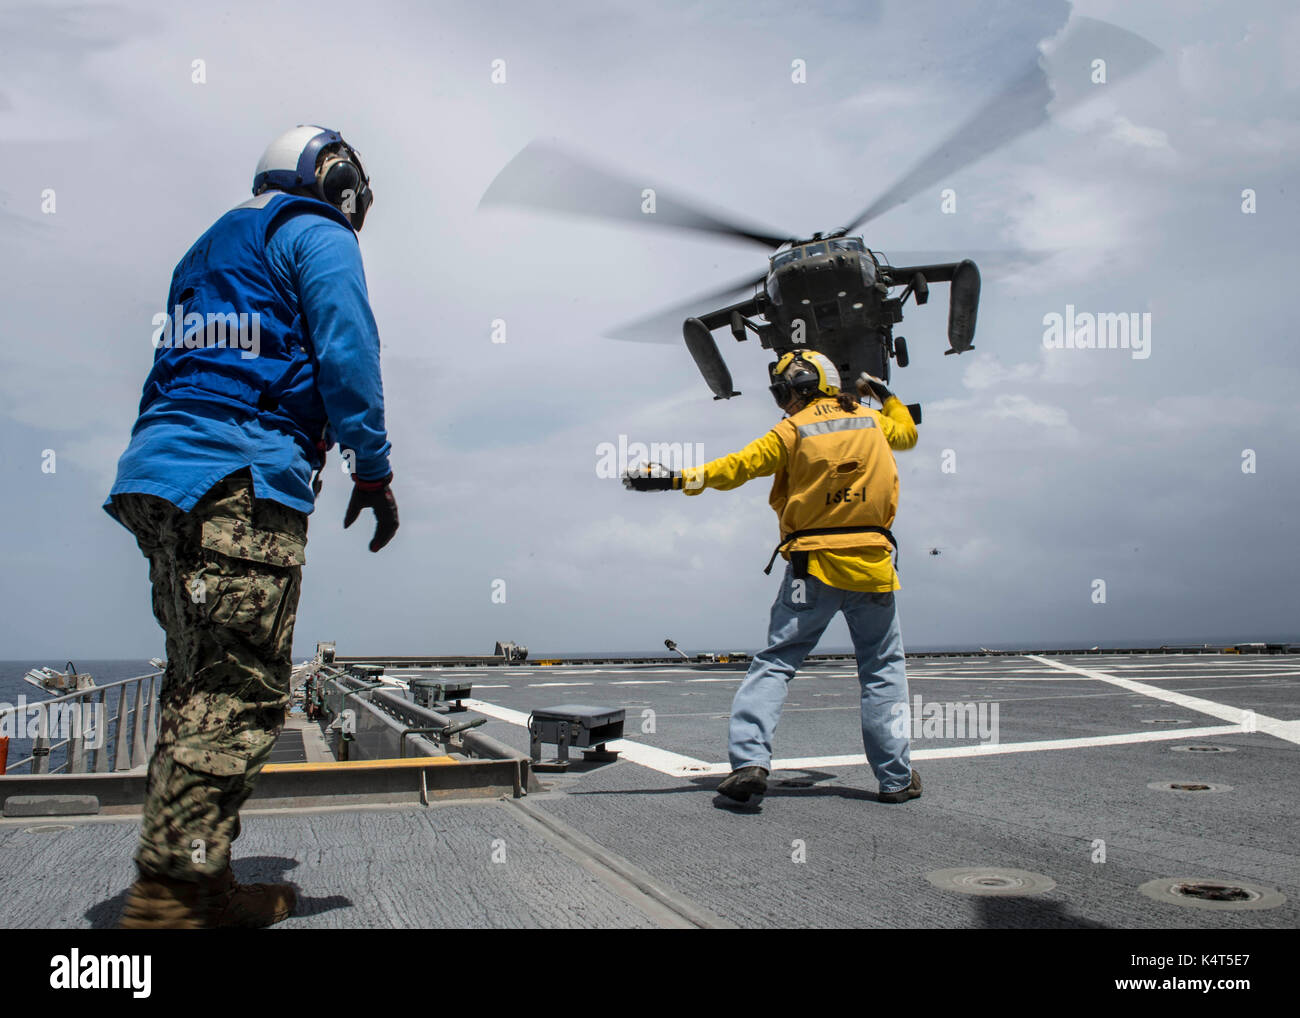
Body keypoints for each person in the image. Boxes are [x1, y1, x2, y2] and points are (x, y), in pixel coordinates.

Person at [106, 124, 398, 928]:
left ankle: (205, 881)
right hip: (239, 478)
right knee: (239, 692)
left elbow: (169, 368)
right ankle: (168, 902)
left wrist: (158, 469)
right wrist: (371, 469)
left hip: (160, 479)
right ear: (331, 174)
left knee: (197, 686)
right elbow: (347, 351)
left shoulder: (205, 250)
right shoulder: (316, 232)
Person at [624, 350, 920, 805]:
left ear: (795, 389)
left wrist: (676, 479)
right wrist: (888, 397)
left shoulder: (792, 430)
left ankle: (750, 763)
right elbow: (908, 435)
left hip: (811, 566)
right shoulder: (873, 421)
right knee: (882, 670)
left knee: (777, 662)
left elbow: (735, 468)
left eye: (783, 392)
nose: (783, 402)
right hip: (872, 565)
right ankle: (896, 779)